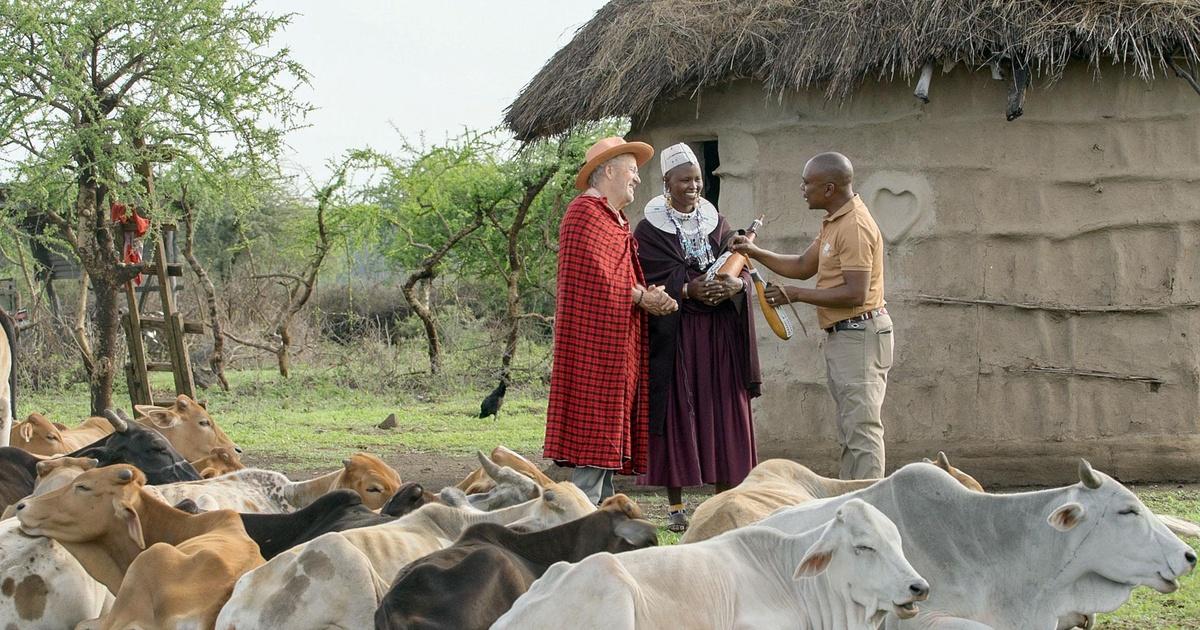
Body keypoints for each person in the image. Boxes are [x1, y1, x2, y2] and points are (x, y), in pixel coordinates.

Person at [732, 152, 892, 480]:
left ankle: (869, 503)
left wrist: (796, 294)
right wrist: (754, 252)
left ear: (829, 188)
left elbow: (856, 293)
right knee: (851, 429)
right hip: (847, 336)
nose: (803, 189)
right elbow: (804, 266)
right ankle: (852, 497)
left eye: (808, 183)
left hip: (860, 335)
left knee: (862, 430)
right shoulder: (836, 221)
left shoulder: (855, 225)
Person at [634, 143, 761, 532]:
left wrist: (734, 287)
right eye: (684, 180)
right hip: (677, 335)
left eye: (697, 180)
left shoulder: (717, 223)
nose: (693, 186)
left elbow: (740, 267)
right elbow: (645, 280)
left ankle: (723, 501)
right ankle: (675, 507)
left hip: (719, 333)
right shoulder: (648, 231)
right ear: (666, 182)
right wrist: (688, 290)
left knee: (722, 408)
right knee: (678, 410)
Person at [544, 136, 678, 504]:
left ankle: (601, 511)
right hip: (593, 343)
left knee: (609, 424)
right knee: (596, 422)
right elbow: (595, 279)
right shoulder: (584, 213)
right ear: (608, 172)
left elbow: (620, 277)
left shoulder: (613, 219)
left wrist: (648, 294)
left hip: (618, 341)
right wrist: (642, 297)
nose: (637, 178)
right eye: (632, 170)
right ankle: (583, 515)